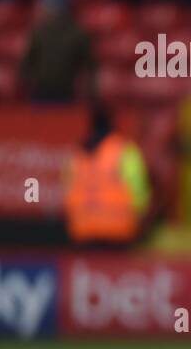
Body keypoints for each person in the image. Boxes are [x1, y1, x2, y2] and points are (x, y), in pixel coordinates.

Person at [65, 102, 151, 246]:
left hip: (83, 231)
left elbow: (68, 191)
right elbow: (140, 193)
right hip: (119, 231)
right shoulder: (125, 151)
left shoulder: (77, 155)